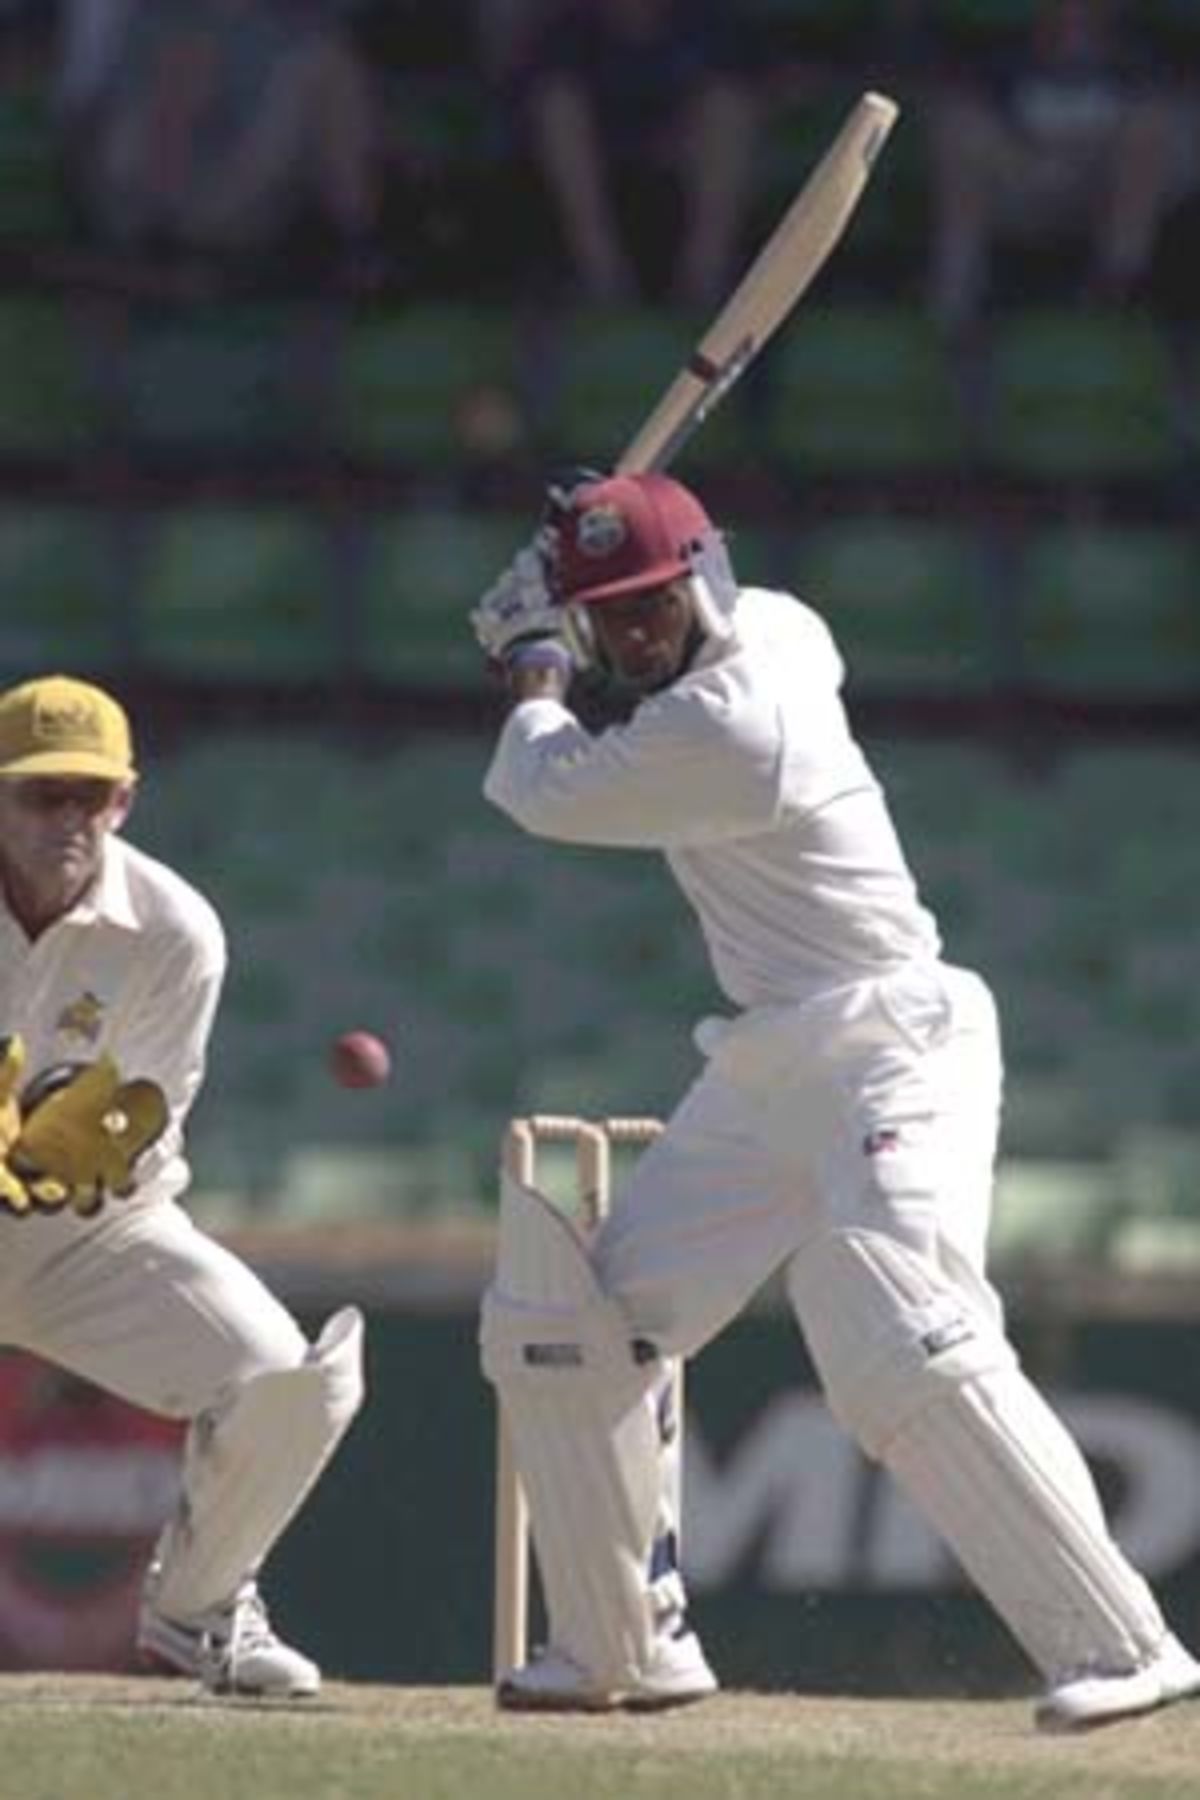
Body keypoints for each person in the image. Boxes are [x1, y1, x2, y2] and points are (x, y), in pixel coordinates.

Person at [470, 469, 1200, 1730]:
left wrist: (535, 656)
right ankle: (620, 1644)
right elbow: (626, 709)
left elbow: (542, 787)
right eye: (612, 614)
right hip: (766, 1064)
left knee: (898, 1323)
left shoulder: (738, 726)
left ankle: (1125, 1646)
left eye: (653, 603)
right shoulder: (785, 624)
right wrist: (576, 598)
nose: (636, 633)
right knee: (572, 1323)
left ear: (705, 579)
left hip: (893, 1041)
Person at [0, 673, 365, 1695]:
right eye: (41, 793)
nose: (68, 818)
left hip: (91, 1239)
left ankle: (198, 1611)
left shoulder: (176, 932)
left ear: (125, 799)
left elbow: (132, 1124)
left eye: (91, 795)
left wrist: (48, 1147)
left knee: (289, 1380)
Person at [925, 0, 1193, 329]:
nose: (1074, 12)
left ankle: (1117, 290)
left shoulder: (1142, 63)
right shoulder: (1004, 63)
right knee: (958, 127)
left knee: (1150, 130)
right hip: (1027, 184)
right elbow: (974, 125)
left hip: (1111, 192)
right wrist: (1041, 160)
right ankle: (958, 300)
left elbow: (1159, 137)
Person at [504, 0, 758, 306]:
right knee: (558, 109)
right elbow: (531, 97)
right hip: (592, 188)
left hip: (678, 183)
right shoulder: (569, 29)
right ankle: (602, 279)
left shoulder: (705, 22)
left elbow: (752, 83)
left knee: (727, 108)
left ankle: (705, 277)